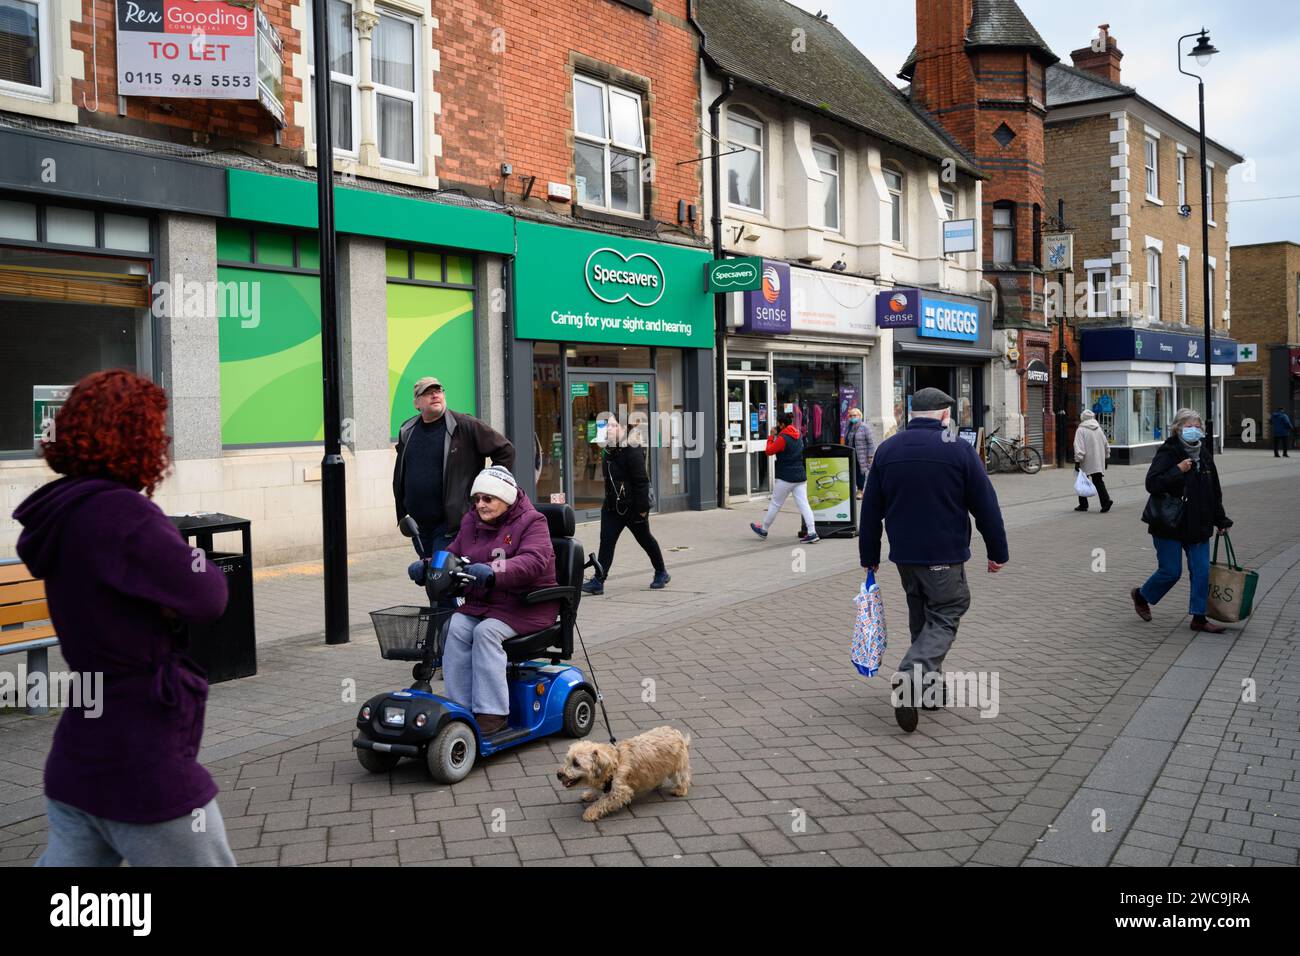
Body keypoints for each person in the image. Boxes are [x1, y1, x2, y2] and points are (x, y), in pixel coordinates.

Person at [13, 370, 235, 866]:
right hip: (140, 759)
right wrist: (189, 555)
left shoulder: (60, 509)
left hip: (77, 758)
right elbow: (209, 594)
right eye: (156, 432)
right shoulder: (124, 514)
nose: (163, 443)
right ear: (136, 439)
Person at [858, 387, 1009, 733]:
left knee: (922, 620)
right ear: (944, 415)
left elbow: (870, 510)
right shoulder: (959, 449)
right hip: (944, 555)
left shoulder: (887, 450)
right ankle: (911, 676)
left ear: (911, 414)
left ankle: (928, 693)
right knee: (949, 609)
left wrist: (869, 555)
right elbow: (986, 505)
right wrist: (997, 552)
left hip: (905, 557)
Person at [441, 467, 559, 735]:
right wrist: (428, 566)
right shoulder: (470, 522)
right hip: (485, 603)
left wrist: (494, 571)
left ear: (505, 498)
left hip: (525, 605)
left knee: (485, 632)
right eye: (477, 498)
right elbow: (453, 554)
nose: (480, 505)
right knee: (456, 625)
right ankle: (460, 707)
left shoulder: (533, 521)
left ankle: (493, 714)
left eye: (488, 499)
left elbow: (533, 561)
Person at [1131, 408, 1232, 634]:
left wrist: (1221, 519)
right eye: (1188, 426)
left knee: (1201, 571)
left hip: (1198, 523)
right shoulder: (1168, 452)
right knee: (1170, 572)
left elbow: (1213, 490)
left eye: (1197, 426)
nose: (1193, 430)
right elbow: (1152, 484)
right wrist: (1178, 470)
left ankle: (1199, 617)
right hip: (1170, 524)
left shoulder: (1204, 455)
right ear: (1177, 429)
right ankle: (1141, 595)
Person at [393, 376, 514, 558]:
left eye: (438, 391)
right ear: (417, 403)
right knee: (429, 578)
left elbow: (505, 450)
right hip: (419, 527)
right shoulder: (407, 430)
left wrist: (487, 487)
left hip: (451, 526)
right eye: (427, 393)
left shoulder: (465, 425)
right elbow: (402, 471)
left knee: (442, 578)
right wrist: (403, 511)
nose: (435, 395)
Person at [581, 418, 669, 595]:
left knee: (645, 540)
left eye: (613, 425)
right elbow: (609, 481)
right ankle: (599, 580)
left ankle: (661, 572)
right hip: (612, 508)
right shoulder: (608, 450)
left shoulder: (633, 449)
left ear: (623, 428)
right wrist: (608, 503)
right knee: (606, 543)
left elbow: (641, 481)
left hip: (634, 508)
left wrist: (643, 509)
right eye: (608, 426)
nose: (609, 429)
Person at [750, 411, 819, 544]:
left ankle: (763, 529)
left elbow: (769, 451)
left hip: (786, 477)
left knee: (775, 504)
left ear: (781, 424)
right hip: (800, 476)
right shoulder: (798, 434)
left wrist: (771, 437)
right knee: (804, 505)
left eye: (778, 424)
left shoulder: (782, 438)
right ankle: (812, 532)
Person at [1073, 409, 1112, 513]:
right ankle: (1106, 501)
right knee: (1098, 481)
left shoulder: (1081, 430)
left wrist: (1078, 461)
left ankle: (1083, 504)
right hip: (1098, 460)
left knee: (1081, 479)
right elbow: (1106, 444)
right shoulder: (1098, 429)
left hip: (1086, 460)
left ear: (1082, 418)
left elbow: (1079, 447)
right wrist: (1106, 458)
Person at [844, 407, 876, 500]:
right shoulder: (849, 427)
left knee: (860, 472)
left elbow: (871, 442)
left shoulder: (864, 427)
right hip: (851, 454)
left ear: (859, 416)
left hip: (861, 454)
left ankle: (860, 491)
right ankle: (852, 490)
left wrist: (870, 456)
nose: (852, 417)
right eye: (851, 415)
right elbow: (847, 440)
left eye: (855, 415)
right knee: (851, 472)